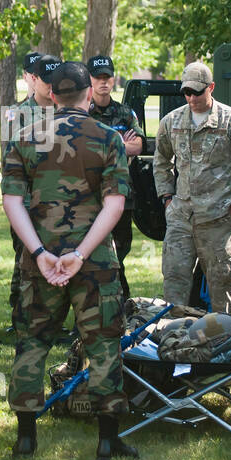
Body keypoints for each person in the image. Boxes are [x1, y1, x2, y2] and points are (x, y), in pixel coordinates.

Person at [2, 61, 136, 460]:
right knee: (104, 346)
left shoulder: (24, 137)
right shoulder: (107, 137)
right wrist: (79, 254)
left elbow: (11, 201)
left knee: (31, 343)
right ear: (86, 95)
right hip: (94, 262)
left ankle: (26, 437)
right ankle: (107, 441)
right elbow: (115, 203)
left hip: (39, 260)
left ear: (53, 96)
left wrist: (40, 253)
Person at [154, 61, 231, 316]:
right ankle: (175, 345)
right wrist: (167, 198)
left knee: (223, 290)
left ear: (211, 88)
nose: (191, 98)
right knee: (174, 284)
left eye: (197, 92)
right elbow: (161, 162)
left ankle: (227, 345)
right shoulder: (171, 122)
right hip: (181, 218)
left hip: (219, 219)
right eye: (186, 93)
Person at [2, 52, 60, 334]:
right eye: (46, 81)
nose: (51, 87)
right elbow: (11, 163)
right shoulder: (15, 115)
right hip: (27, 203)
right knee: (24, 262)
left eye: (56, 81)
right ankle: (21, 318)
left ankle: (53, 319)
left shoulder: (67, 111)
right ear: (34, 79)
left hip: (61, 205)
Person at [86, 55, 144, 297]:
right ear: (89, 80)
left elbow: (138, 146)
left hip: (121, 192)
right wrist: (119, 142)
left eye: (107, 77)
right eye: (98, 77)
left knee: (119, 251)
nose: (103, 82)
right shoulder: (83, 113)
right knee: (92, 252)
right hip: (90, 194)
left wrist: (105, 144)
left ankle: (120, 302)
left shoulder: (124, 112)